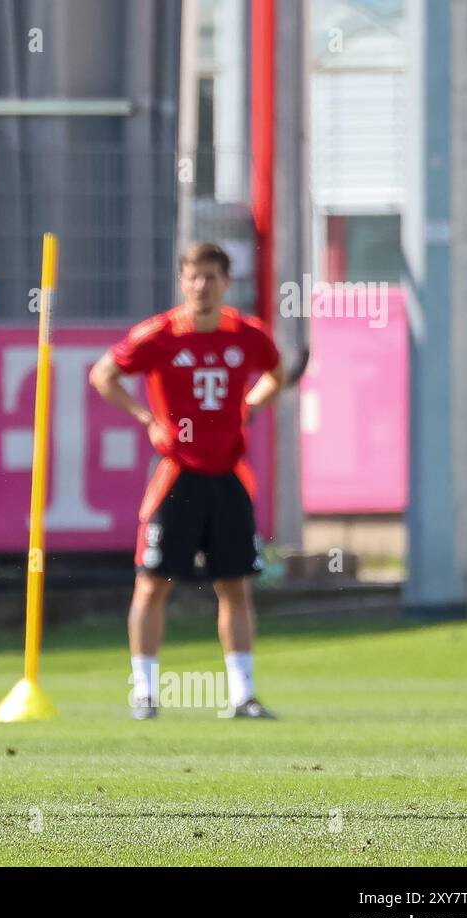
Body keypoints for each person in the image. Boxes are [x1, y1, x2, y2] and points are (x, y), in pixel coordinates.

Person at [89, 242, 285, 720]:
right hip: (176, 474)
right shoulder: (161, 334)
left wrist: (251, 406)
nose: (202, 286)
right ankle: (145, 692)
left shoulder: (246, 334)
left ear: (226, 283)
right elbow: (104, 374)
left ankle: (242, 694)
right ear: (182, 281)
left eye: (212, 277)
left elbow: (277, 372)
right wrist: (144, 417)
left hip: (228, 476)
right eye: (194, 277)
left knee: (234, 585)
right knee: (153, 582)